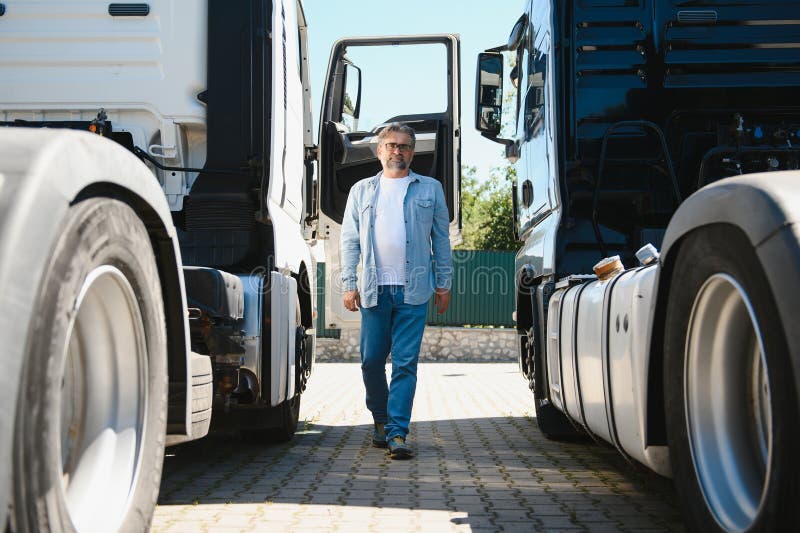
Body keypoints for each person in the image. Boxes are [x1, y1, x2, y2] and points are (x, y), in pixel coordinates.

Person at [340, 122, 452, 459]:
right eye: (391, 145)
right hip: (374, 290)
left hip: (414, 290)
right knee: (371, 362)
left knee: (405, 364)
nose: (397, 151)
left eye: (404, 146)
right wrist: (348, 283)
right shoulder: (360, 191)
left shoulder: (430, 190)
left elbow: (441, 241)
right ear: (379, 150)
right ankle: (381, 419)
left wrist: (444, 283)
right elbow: (349, 240)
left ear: (412, 152)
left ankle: (398, 433)